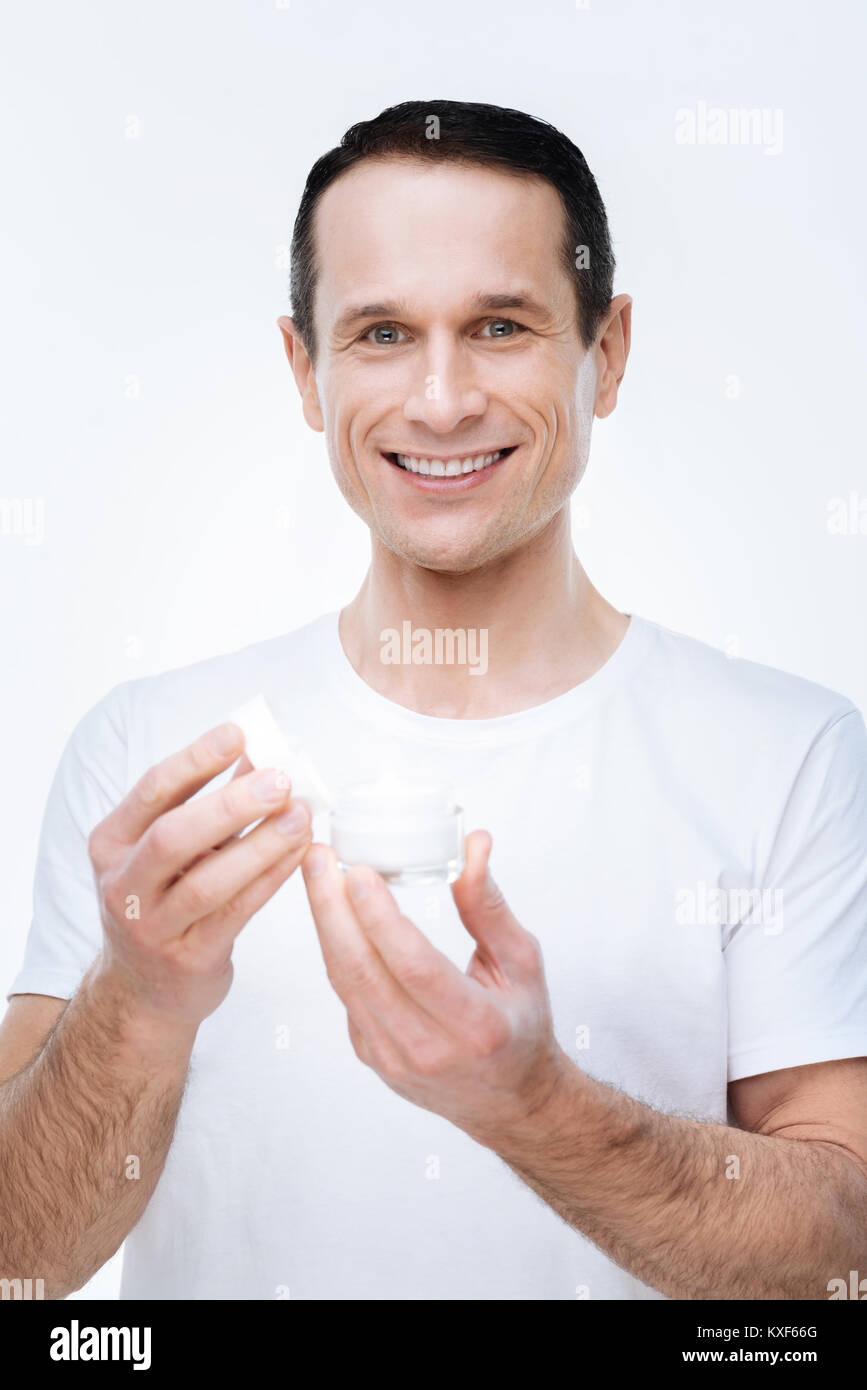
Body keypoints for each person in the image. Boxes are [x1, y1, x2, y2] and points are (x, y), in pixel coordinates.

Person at [1, 99, 865, 1302]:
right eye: (383, 333)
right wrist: (139, 1006)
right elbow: (19, 1260)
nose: (443, 400)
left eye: (501, 325)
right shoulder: (153, 759)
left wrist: (534, 1106)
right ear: (306, 370)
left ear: (605, 353)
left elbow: (843, 1260)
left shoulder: (795, 760)